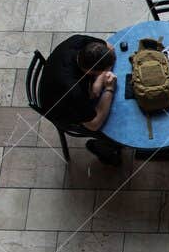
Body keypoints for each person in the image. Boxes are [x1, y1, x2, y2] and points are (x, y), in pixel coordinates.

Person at [41, 34, 122, 165]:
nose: (107, 72)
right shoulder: (74, 92)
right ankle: (105, 149)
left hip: (54, 79)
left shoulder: (78, 42)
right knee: (115, 131)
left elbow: (110, 48)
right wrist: (109, 89)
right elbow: (94, 124)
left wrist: (99, 80)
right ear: (91, 71)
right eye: (103, 71)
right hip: (60, 110)